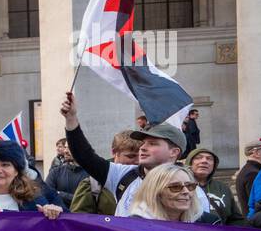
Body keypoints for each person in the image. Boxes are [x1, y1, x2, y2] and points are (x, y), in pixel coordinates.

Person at [61, 91, 207, 217]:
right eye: (143, 143)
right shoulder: (123, 175)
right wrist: (71, 119)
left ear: (174, 152)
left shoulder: (194, 194)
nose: (143, 148)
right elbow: (84, 156)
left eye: (153, 143)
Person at [128, 163, 220, 225]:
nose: (186, 191)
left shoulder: (209, 223)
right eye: (175, 187)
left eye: (190, 186)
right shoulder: (135, 226)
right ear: (155, 192)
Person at [70, 132, 139, 215]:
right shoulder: (93, 184)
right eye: (131, 156)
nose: (138, 161)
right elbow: (80, 220)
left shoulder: (146, 180)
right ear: (114, 152)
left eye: (141, 156)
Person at [185, 147, 242, 225]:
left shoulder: (222, 187)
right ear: (190, 163)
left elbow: (235, 218)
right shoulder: (181, 186)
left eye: (209, 159)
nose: (204, 161)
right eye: (198, 158)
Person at [45, 138, 88, 208]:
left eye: (70, 147)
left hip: (82, 217)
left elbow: (85, 201)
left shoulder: (91, 174)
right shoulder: (55, 172)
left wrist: (59, 194)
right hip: (60, 217)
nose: (65, 151)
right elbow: (47, 194)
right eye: (65, 147)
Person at [234, 141, 261, 216]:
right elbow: (258, 201)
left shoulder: (248, 170)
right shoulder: (253, 173)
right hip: (256, 220)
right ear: (256, 153)